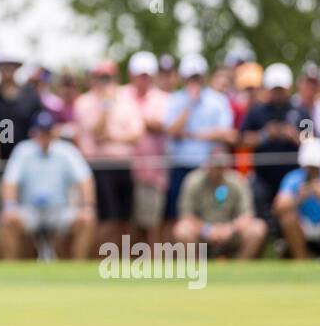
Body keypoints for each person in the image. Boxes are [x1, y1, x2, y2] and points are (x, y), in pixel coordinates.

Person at [0, 112, 96, 260]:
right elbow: (10, 182)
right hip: (30, 210)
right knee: (8, 220)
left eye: (47, 132)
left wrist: (88, 207)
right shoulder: (23, 150)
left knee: (87, 221)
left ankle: (78, 266)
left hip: (60, 210)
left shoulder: (67, 151)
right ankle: (11, 269)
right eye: (41, 132)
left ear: (54, 132)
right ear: (33, 132)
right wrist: (9, 206)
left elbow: (85, 179)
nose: (44, 136)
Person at [74, 59, 143, 247]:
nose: (103, 82)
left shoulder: (127, 101)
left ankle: (120, 258)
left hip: (123, 166)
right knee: (106, 219)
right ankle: (102, 258)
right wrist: (106, 104)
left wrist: (112, 137)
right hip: (99, 167)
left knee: (124, 219)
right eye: (100, 78)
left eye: (107, 78)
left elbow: (136, 135)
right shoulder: (84, 102)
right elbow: (97, 133)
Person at [163, 54, 236, 230]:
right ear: (183, 78)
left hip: (209, 168)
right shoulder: (175, 100)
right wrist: (190, 104)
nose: (194, 82)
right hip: (180, 166)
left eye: (197, 77)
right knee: (178, 216)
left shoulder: (218, 100)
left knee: (212, 215)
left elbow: (227, 134)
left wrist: (192, 135)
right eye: (191, 78)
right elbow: (172, 131)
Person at [238, 63, 312, 225]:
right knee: (258, 209)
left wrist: (294, 136)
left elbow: (311, 142)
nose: (278, 93)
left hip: (294, 176)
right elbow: (242, 140)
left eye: (281, 89)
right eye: (275, 89)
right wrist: (264, 135)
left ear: (289, 88)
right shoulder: (256, 112)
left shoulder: (302, 112)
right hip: (262, 177)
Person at [175, 145, 267, 258]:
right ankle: (199, 265)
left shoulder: (238, 181)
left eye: (221, 167)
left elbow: (247, 215)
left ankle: (239, 266)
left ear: (227, 166)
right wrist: (208, 230)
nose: (217, 171)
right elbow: (186, 215)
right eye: (215, 166)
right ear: (207, 164)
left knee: (258, 228)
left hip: (232, 232)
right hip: (202, 232)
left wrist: (229, 229)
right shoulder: (193, 181)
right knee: (182, 230)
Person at [126, 52, 170, 242]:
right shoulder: (120, 95)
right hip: (123, 170)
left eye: (146, 75)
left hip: (152, 172)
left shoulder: (163, 98)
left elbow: (162, 124)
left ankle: (152, 260)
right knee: (126, 225)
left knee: (152, 225)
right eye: (139, 75)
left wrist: (138, 121)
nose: (143, 80)